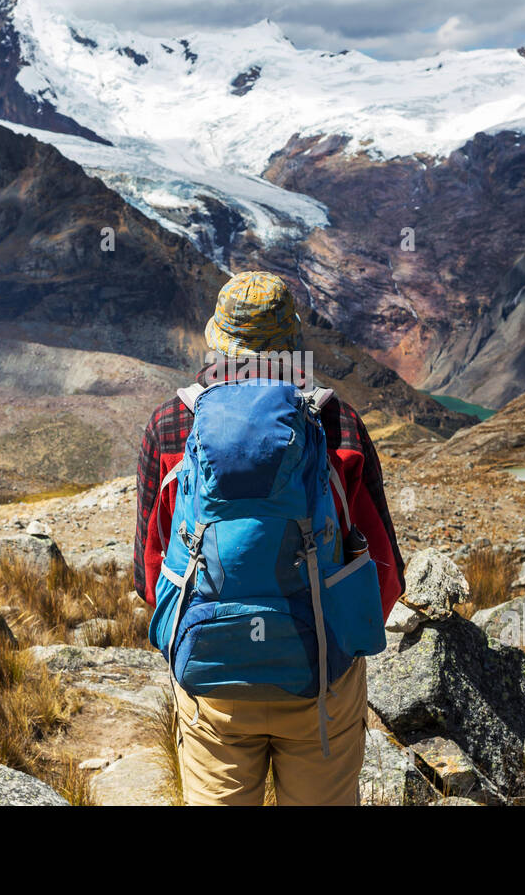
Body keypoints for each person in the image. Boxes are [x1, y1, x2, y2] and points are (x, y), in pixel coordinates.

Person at [133, 270, 404, 805]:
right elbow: (385, 575)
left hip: (212, 678)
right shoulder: (335, 424)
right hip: (320, 674)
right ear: (291, 344)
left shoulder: (170, 426)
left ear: (218, 341)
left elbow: (150, 576)